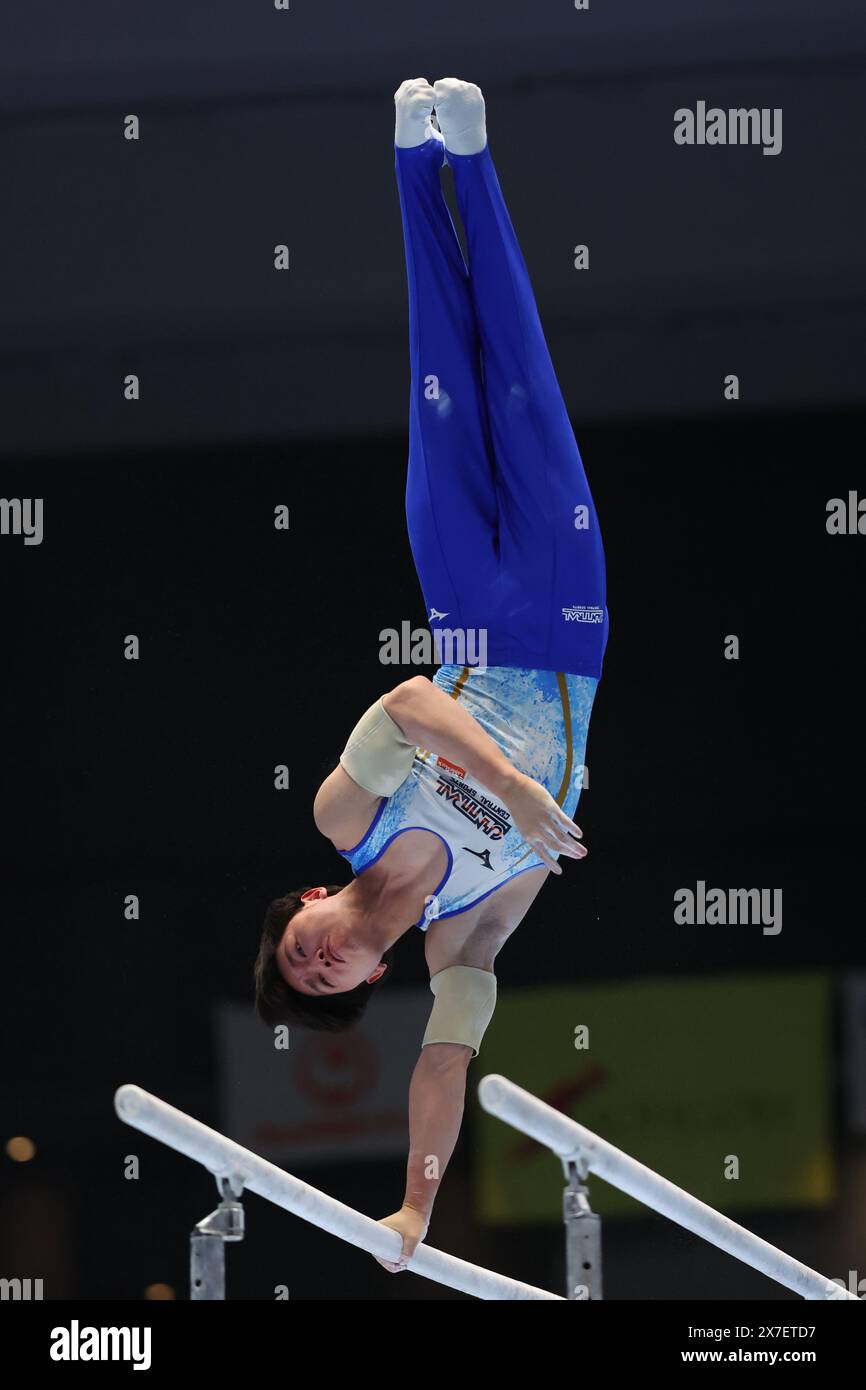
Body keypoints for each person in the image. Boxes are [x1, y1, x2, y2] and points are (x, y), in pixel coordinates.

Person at [253, 78, 609, 1272]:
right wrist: (412, 1209)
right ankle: (474, 156)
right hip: (566, 623)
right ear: (363, 975)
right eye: (323, 983)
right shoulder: (468, 937)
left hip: (464, 607)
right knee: (521, 368)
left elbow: (410, 700)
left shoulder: (343, 818)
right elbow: (444, 1066)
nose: (316, 963)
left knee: (441, 374)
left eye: (298, 949)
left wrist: (509, 793)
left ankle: (417, 156)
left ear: (309, 905)